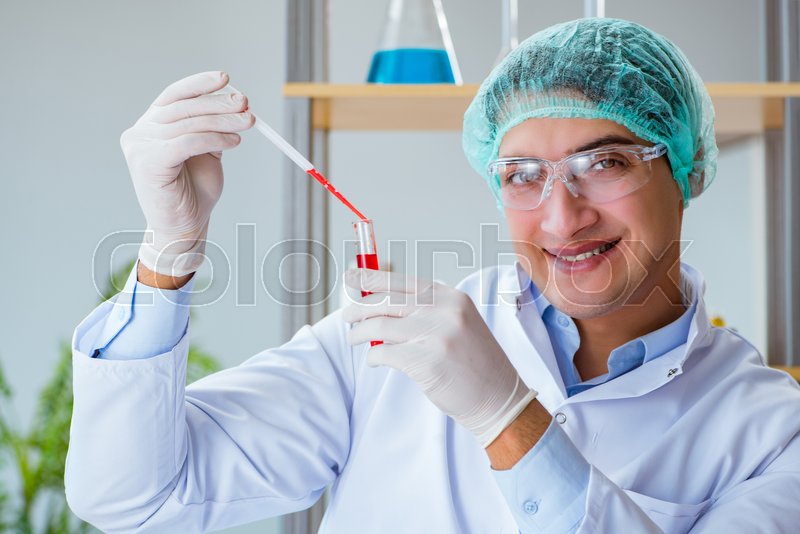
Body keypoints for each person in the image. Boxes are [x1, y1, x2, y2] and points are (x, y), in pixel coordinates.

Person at [65, 18, 800, 533]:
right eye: (521, 175)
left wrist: (509, 418)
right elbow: (134, 497)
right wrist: (170, 249)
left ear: (687, 168)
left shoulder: (773, 434)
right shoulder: (390, 348)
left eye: (603, 163)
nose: (561, 218)